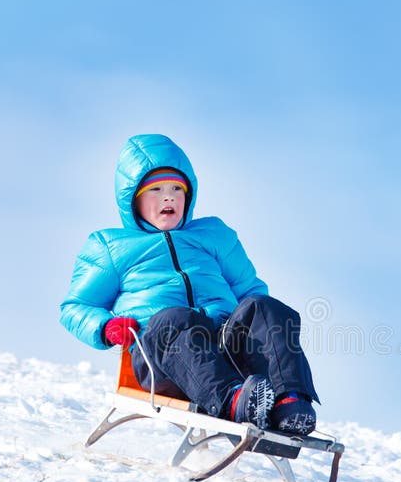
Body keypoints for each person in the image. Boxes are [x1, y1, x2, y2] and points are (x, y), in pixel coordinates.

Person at [60, 133, 319, 434]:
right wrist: (105, 327)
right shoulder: (111, 246)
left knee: (264, 307)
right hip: (162, 356)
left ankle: (290, 402)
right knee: (173, 318)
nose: (168, 197)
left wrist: (250, 329)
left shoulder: (214, 234)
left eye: (176, 189)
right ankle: (233, 401)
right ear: (133, 199)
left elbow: (251, 291)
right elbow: (76, 306)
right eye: (155, 189)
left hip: (223, 346)